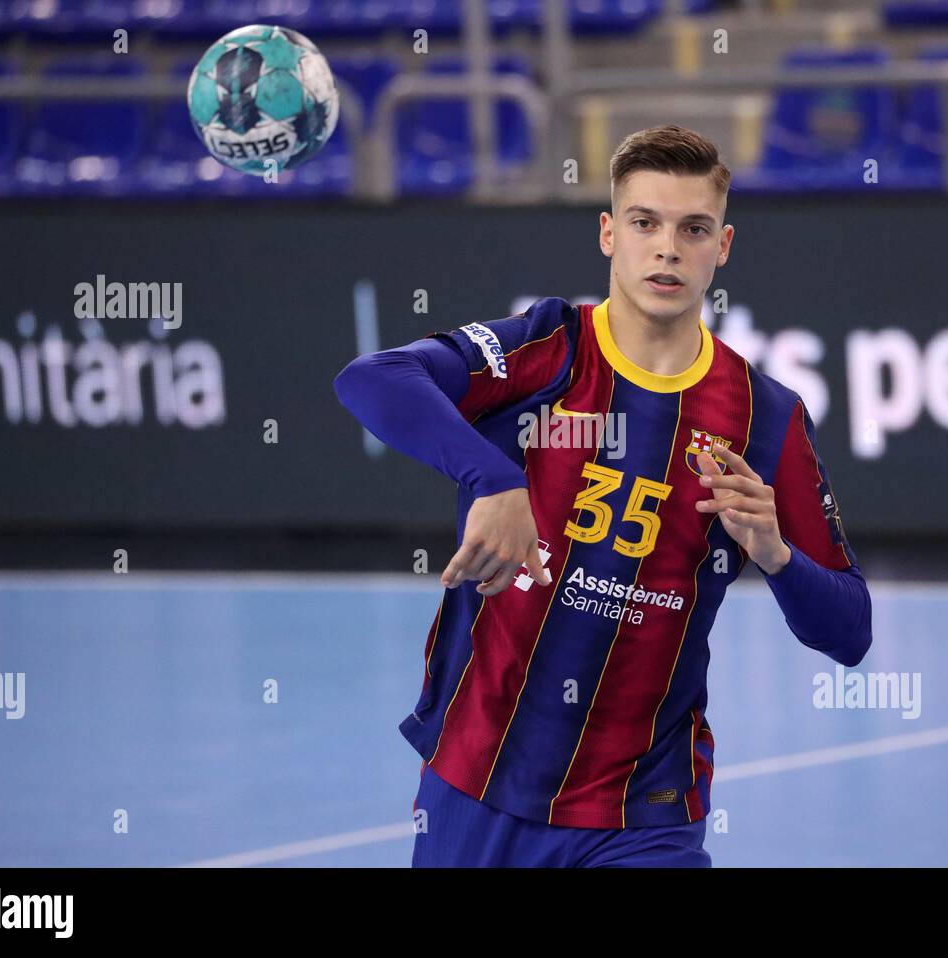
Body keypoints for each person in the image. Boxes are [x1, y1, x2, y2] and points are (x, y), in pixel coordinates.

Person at [333, 124, 872, 867]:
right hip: (478, 777)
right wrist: (491, 479)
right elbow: (373, 377)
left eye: (693, 229)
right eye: (645, 223)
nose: (668, 248)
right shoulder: (546, 349)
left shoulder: (766, 417)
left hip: (643, 810)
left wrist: (777, 557)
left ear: (723, 246)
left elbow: (850, 633)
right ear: (608, 234)